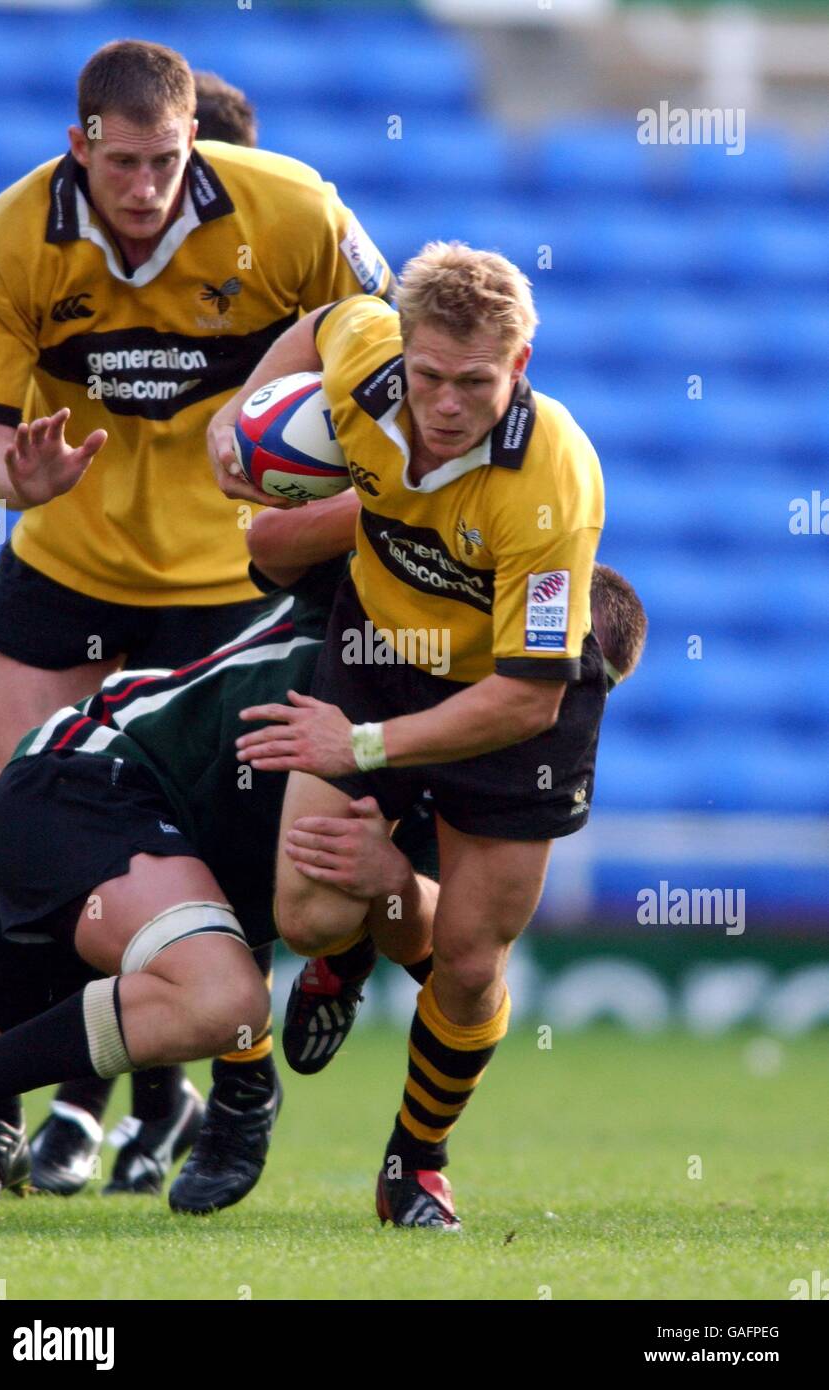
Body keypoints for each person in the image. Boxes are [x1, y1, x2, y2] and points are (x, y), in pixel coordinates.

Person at [0, 39, 392, 1194]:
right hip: (68, 557)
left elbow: (387, 354)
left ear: (191, 143)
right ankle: (4, 1115)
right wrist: (14, 479)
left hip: (225, 576)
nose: (146, 187)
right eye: (124, 165)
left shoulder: (292, 209)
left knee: (214, 851)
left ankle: (201, 1086)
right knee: (23, 843)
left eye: (167, 161)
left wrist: (332, 481)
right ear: (79, 145)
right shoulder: (11, 236)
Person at [210, 240, 606, 1229]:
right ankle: (350, 945)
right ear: (404, 348)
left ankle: (413, 1164)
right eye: (426, 374)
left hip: (511, 694)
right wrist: (234, 413)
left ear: (518, 364)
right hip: (379, 649)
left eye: (473, 382)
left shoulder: (552, 476)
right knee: (304, 916)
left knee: (470, 961)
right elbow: (318, 321)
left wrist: (367, 751)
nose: (440, 402)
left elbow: (526, 696)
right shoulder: (366, 354)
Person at [0, 556, 438, 1216]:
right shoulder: (364, 597)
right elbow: (279, 527)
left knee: (221, 988)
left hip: (139, 850)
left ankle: (170, 1101)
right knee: (221, 998)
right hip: (91, 776)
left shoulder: (486, 752)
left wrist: (400, 888)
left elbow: (458, 958)